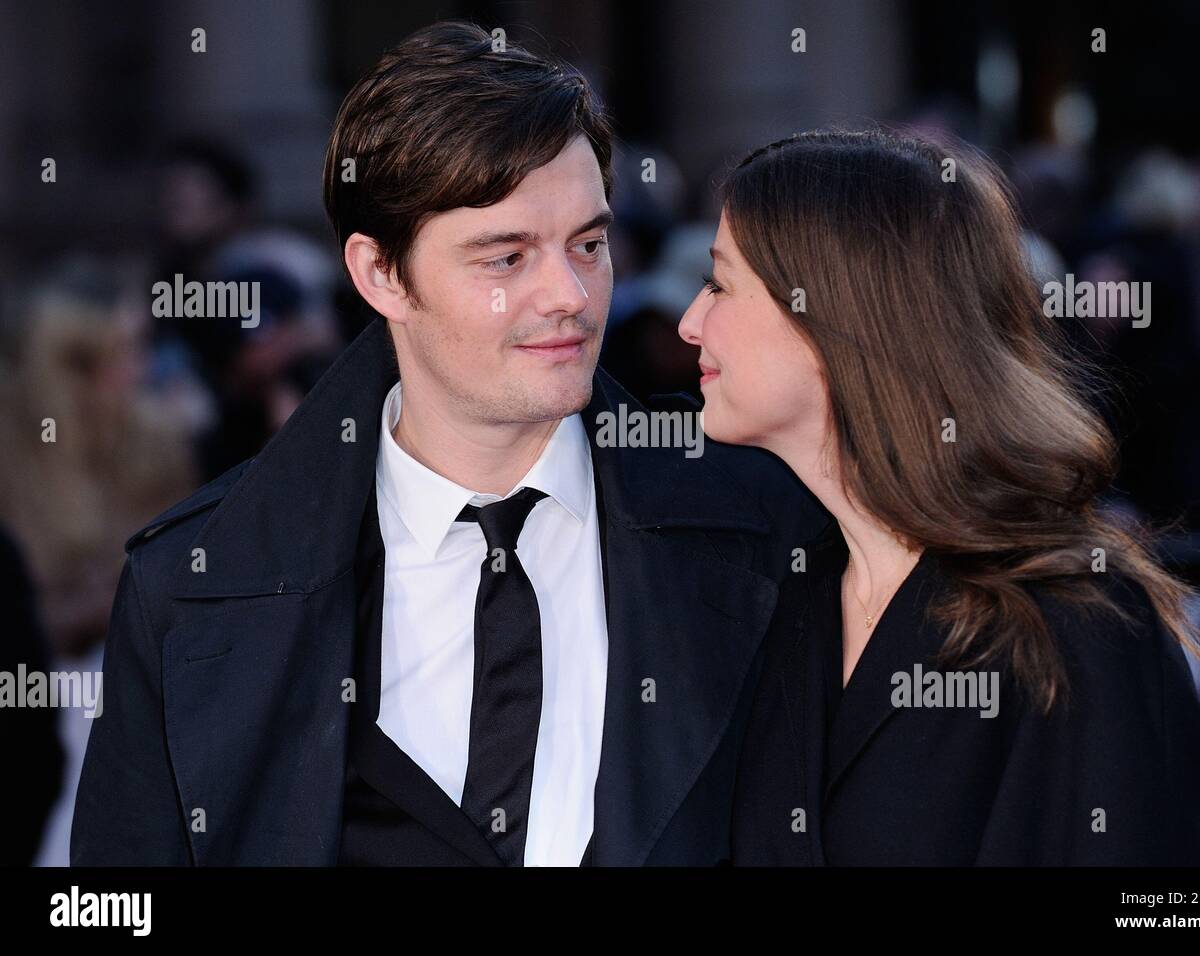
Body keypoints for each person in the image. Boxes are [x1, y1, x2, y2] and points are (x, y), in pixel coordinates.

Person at [71, 21, 823, 867]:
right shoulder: (191, 585)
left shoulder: (771, 528)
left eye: (589, 244)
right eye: (505, 258)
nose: (569, 296)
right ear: (379, 274)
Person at [677, 128, 1200, 865]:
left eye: (720, 284)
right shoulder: (781, 601)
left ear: (833, 314)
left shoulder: (1080, 623)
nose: (689, 322)